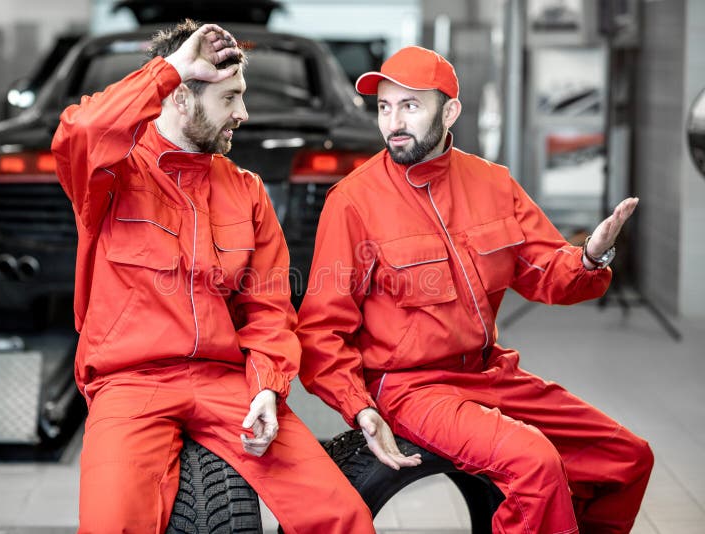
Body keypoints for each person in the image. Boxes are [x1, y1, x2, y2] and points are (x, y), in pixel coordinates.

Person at [296, 45, 653, 533]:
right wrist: (357, 406)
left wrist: (590, 256)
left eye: (410, 106)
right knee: (534, 465)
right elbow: (321, 330)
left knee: (627, 458)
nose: (393, 122)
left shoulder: (492, 183)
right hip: (410, 387)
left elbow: (548, 274)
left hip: (489, 373)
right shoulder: (353, 201)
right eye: (384, 107)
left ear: (450, 112)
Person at [51, 20, 374, 533]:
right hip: (132, 384)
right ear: (180, 97)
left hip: (228, 384)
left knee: (340, 514)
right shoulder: (112, 174)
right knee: (113, 523)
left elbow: (268, 308)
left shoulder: (245, 190)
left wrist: (268, 388)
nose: (243, 114)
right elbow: (82, 128)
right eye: (230, 98)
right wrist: (170, 69)